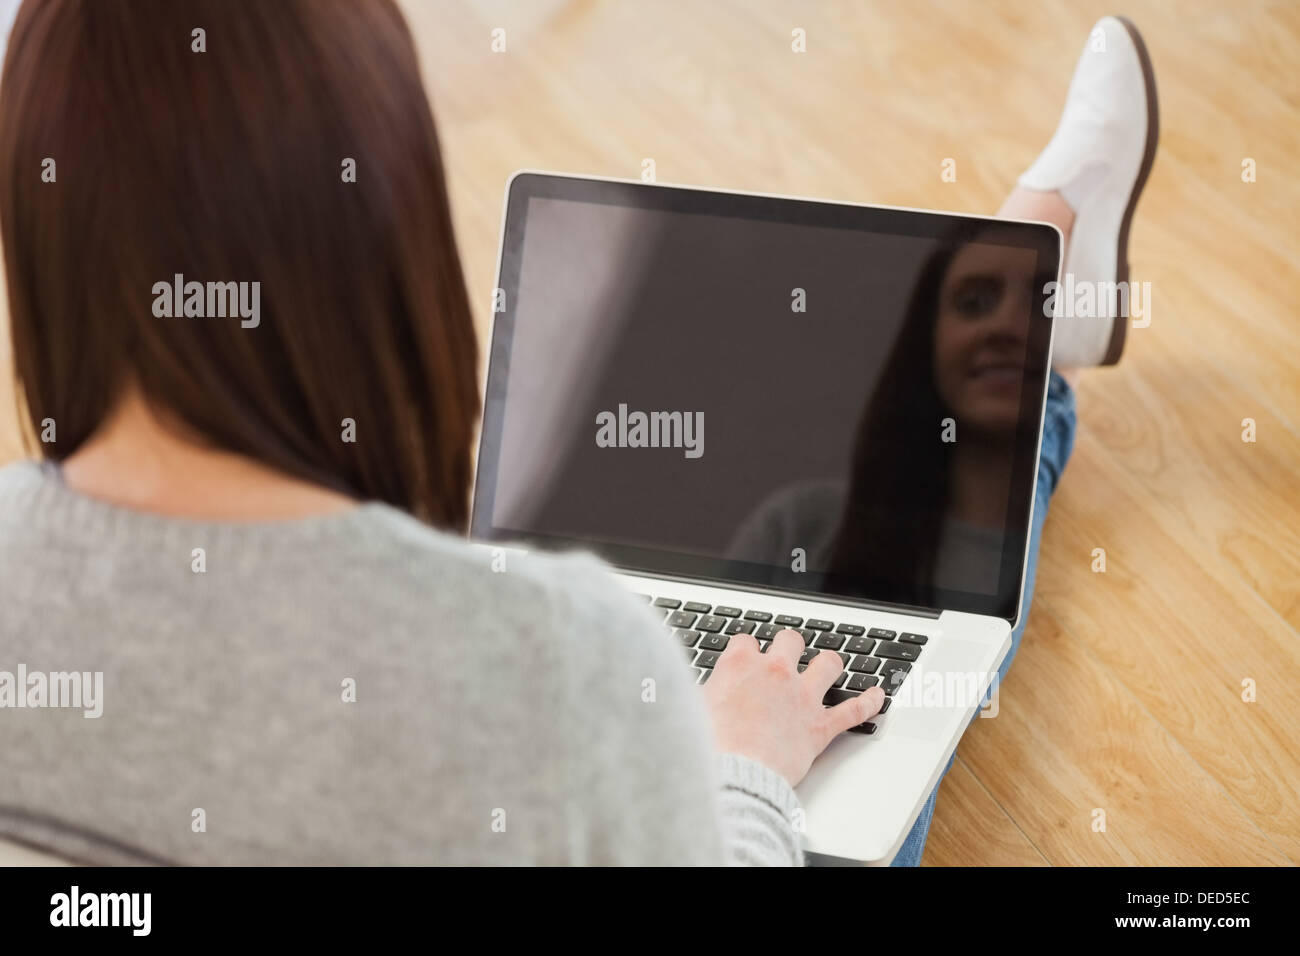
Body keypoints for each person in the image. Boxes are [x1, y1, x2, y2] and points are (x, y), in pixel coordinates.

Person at [0, 0, 1154, 866]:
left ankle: (1033, 281)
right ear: (377, 233)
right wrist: (741, 763)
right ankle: (1039, 266)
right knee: (893, 672)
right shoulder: (564, 660)